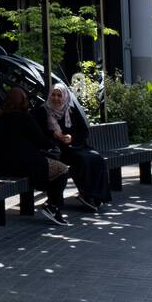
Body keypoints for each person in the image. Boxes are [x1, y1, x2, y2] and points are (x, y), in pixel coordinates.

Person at [0, 87, 69, 225]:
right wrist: (53, 144)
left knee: (49, 164)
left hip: (1, 166)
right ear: (22, 101)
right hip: (23, 165)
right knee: (62, 169)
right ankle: (53, 206)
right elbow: (39, 139)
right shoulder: (24, 117)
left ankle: (52, 204)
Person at [33, 82, 111, 212]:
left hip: (75, 146)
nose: (56, 98)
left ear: (64, 97)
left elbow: (84, 132)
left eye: (59, 95)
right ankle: (87, 194)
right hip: (58, 150)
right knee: (83, 160)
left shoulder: (71, 111)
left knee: (97, 159)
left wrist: (71, 137)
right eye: (53, 95)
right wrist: (54, 134)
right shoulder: (42, 111)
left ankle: (96, 196)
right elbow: (38, 133)